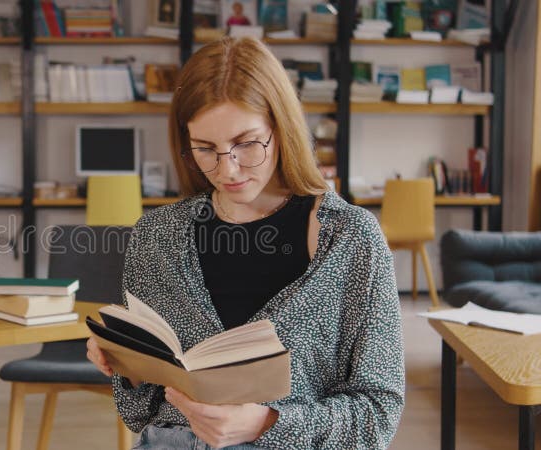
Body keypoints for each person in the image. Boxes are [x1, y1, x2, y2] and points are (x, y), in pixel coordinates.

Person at [86, 36, 404, 449]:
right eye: (205, 149)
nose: (227, 168)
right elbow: (139, 411)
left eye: (246, 143)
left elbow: (379, 415)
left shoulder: (351, 238)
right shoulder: (156, 235)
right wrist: (124, 365)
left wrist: (268, 423)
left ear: (280, 126)